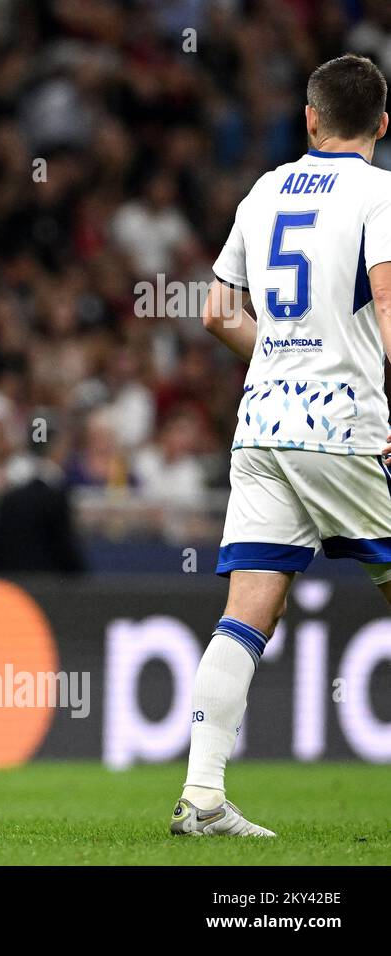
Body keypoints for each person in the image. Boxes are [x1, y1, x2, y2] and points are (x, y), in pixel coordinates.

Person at [178, 53, 391, 837]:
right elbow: (389, 305)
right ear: (382, 125)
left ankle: (202, 797)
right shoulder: (380, 194)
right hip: (341, 424)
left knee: (247, 610)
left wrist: (280, 357)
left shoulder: (265, 190)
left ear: (309, 118)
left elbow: (216, 312)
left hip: (264, 422)